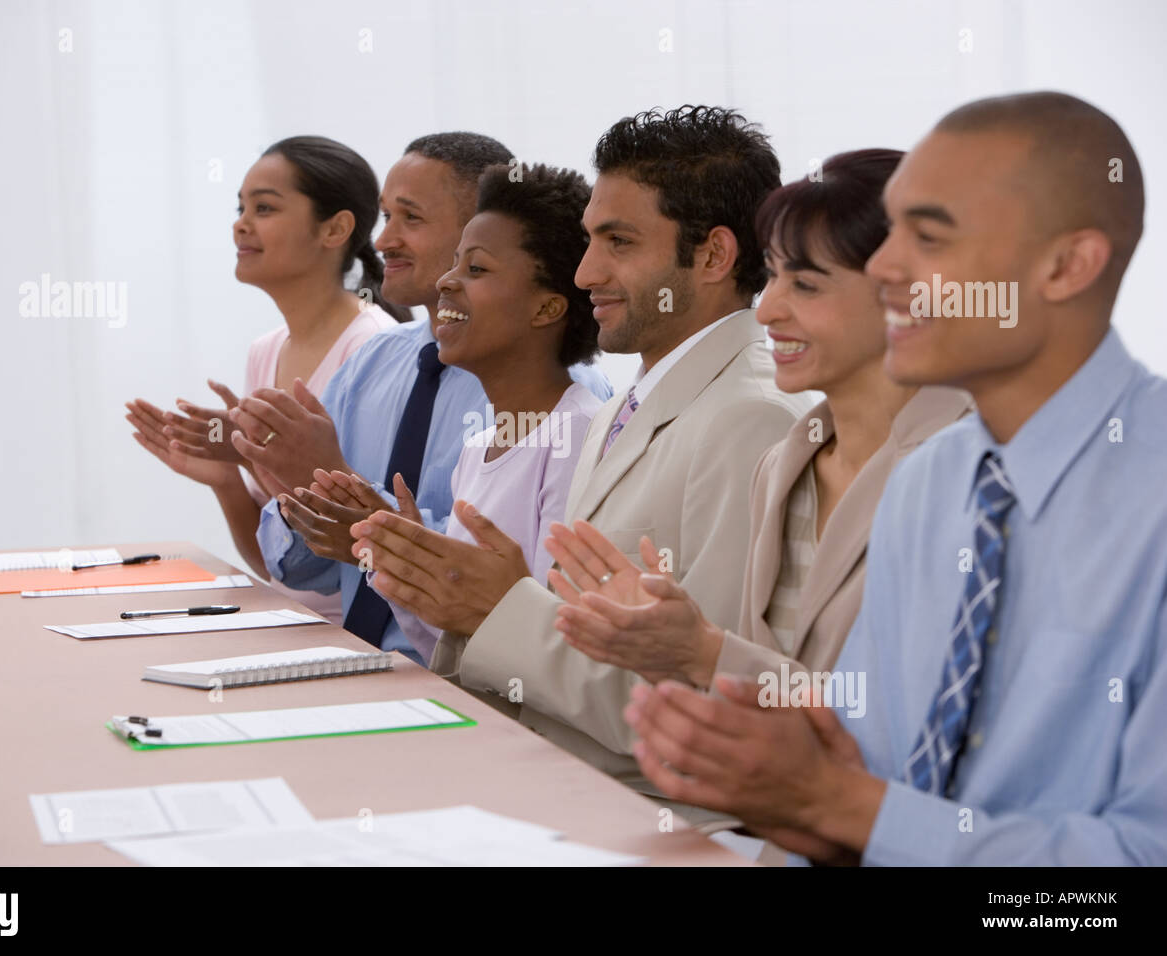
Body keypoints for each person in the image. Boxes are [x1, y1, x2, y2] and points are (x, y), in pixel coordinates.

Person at [626, 92, 1167, 865]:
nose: (884, 267)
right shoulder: (931, 483)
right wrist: (766, 780)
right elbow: (867, 772)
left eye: (930, 236)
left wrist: (834, 802)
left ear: (1066, 265)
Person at [349, 106, 812, 811]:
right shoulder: (632, 404)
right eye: (591, 239)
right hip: (547, 781)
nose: (588, 269)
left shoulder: (751, 419)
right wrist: (453, 601)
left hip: (645, 819)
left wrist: (495, 609)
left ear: (713, 256)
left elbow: (705, 706)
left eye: (618, 241)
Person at [547, 149, 972, 695]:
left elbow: (914, 723)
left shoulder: (971, 474)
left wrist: (704, 654)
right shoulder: (786, 465)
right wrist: (690, 653)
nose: (768, 308)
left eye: (808, 284)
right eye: (773, 275)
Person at [244, 134, 612, 665]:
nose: (384, 240)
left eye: (410, 219)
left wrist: (369, 514)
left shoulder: (572, 425)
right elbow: (439, 632)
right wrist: (311, 487)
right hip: (401, 676)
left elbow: (550, 636)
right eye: (385, 216)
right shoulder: (384, 373)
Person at [124, 136, 403, 619]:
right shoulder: (265, 351)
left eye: (265, 208)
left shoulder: (375, 348)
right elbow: (279, 568)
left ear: (335, 229)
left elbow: (359, 552)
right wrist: (228, 477)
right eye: (240, 207)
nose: (240, 224)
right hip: (294, 625)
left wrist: (260, 460)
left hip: (356, 636)